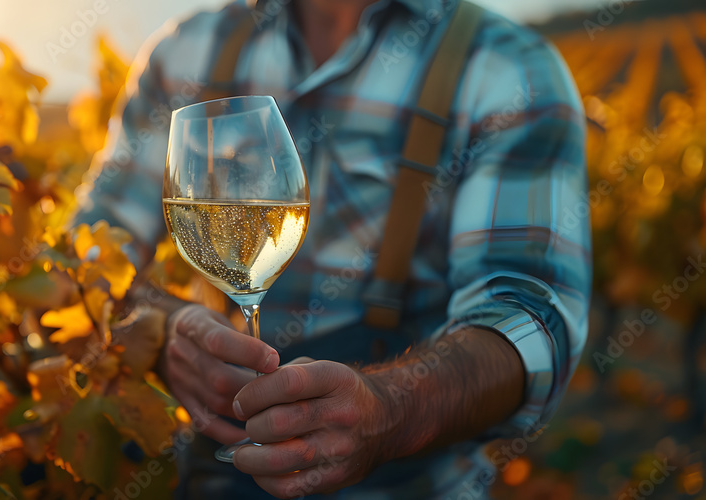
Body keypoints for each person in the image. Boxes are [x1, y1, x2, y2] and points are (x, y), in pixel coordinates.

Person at [74, 0, 591, 497]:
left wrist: (391, 410)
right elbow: (83, 259)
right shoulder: (186, 52)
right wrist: (160, 329)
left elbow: (528, 320)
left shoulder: (509, 71)